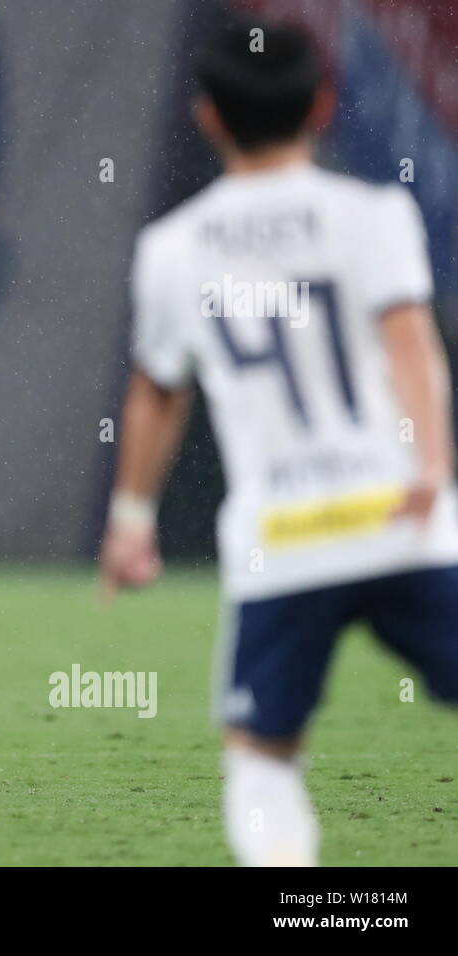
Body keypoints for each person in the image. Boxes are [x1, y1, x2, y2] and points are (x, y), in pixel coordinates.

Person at [100, 21, 458, 865]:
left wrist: (131, 518)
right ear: (324, 104)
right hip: (401, 516)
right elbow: (412, 345)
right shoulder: (375, 213)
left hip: (286, 540)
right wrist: (434, 467)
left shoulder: (172, 249)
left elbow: (157, 388)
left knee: (261, 758)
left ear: (208, 116)